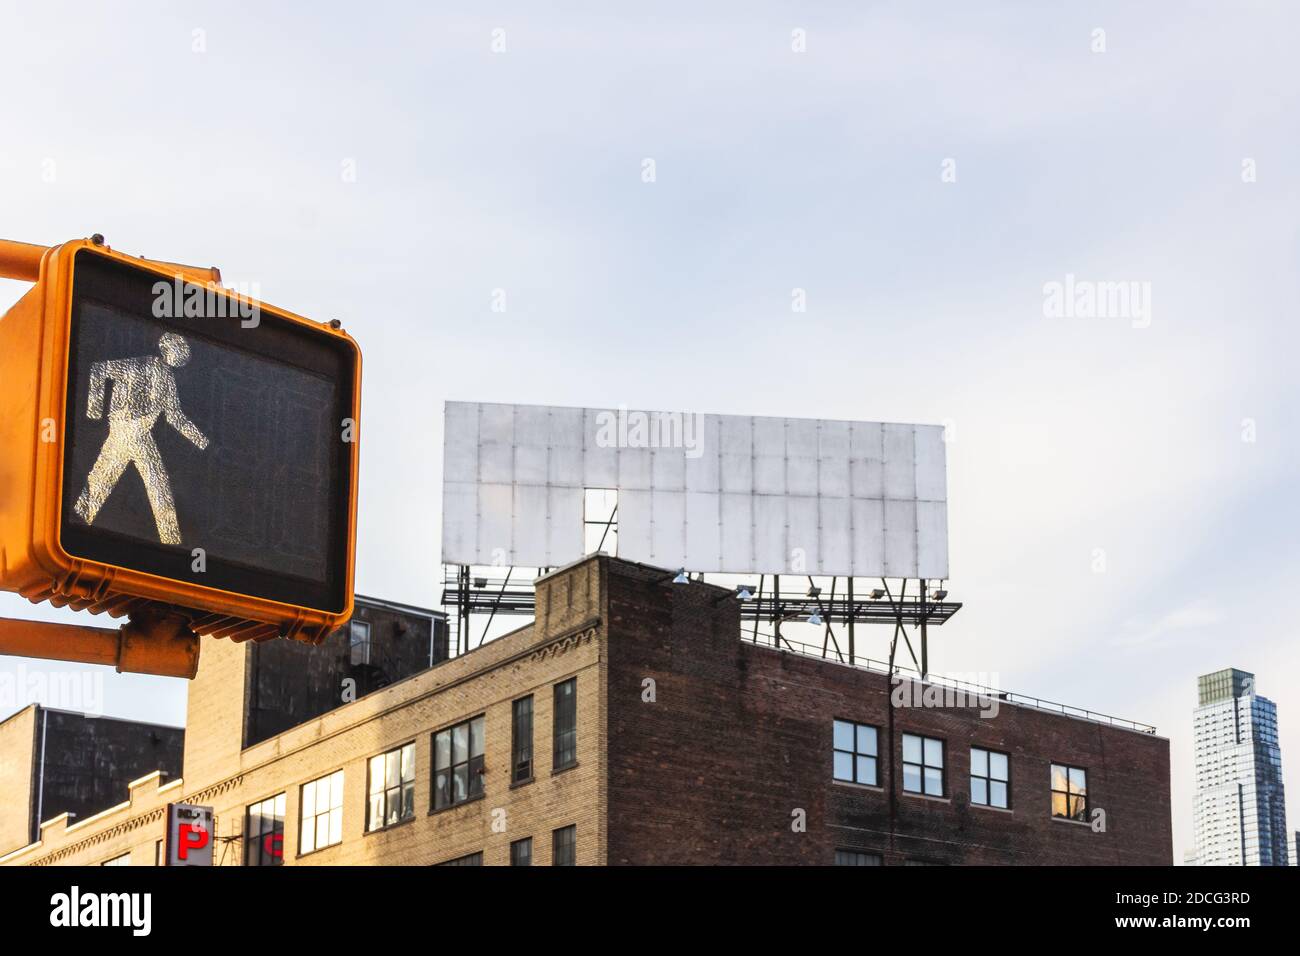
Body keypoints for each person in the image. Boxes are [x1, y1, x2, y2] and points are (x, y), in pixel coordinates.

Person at [73, 332, 208, 545]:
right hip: (124, 430)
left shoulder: (167, 379)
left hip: (139, 434)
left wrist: (200, 441)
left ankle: (171, 542)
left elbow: (175, 417)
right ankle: (77, 524)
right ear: (169, 351)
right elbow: (100, 369)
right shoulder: (138, 365)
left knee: (118, 481)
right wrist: (94, 412)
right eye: (179, 353)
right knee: (112, 480)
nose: (180, 358)